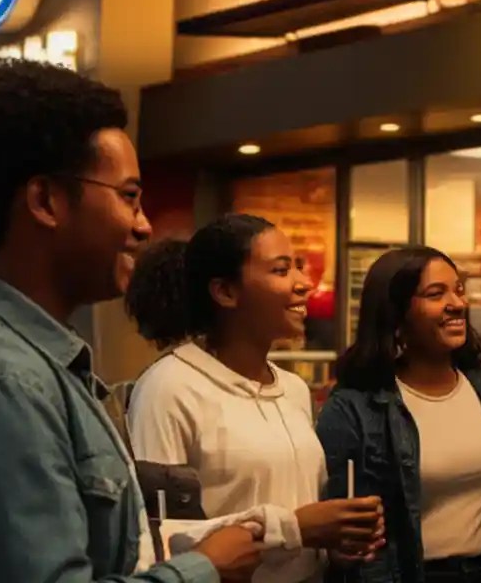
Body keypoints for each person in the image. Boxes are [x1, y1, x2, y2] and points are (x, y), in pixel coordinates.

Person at [0, 58, 260, 581]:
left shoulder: (42, 366)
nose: (143, 226)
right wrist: (204, 570)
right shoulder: (6, 381)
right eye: (129, 197)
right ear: (46, 201)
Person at [124, 216, 386, 581]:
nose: (304, 284)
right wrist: (295, 528)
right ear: (226, 292)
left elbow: (304, 523)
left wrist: (335, 544)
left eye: (298, 268)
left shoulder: (293, 389)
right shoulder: (169, 388)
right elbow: (162, 538)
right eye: (281, 270)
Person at [317, 245, 481, 583]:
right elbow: (338, 527)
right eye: (435, 293)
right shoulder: (356, 405)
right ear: (396, 315)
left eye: (458, 290)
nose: (457, 304)